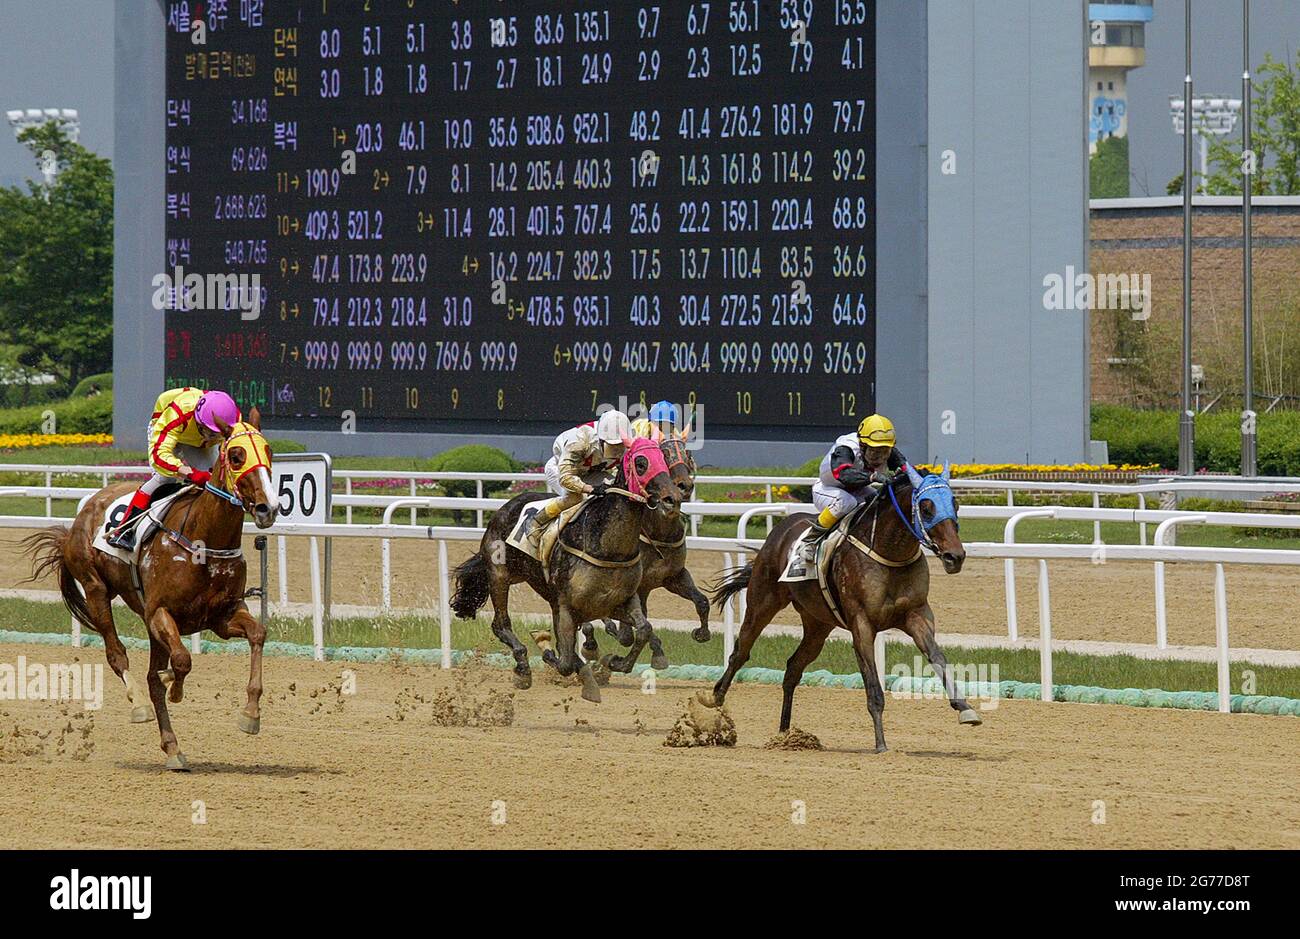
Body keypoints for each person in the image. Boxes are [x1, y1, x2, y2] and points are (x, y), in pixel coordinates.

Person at [105, 387, 241, 550]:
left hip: (194, 437)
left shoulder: (234, 419)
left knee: (215, 481)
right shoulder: (178, 412)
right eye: (210, 432)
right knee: (164, 479)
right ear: (199, 420)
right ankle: (124, 530)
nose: (211, 437)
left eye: (216, 434)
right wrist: (189, 472)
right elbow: (159, 456)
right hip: (168, 428)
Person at [800, 413, 909, 564]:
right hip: (827, 489)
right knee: (847, 502)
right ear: (862, 446)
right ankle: (810, 541)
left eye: (885, 451)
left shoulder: (887, 450)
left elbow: (908, 470)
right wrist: (873, 477)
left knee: (879, 500)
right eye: (875, 451)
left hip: (856, 490)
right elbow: (843, 474)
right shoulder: (846, 448)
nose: (880, 457)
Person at [529, 410, 632, 547]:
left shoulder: (628, 441)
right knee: (575, 498)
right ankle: (536, 522)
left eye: (620, 446)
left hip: (593, 470)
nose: (617, 452)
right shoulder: (579, 441)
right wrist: (589, 489)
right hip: (560, 470)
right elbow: (566, 477)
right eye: (612, 446)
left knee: (614, 493)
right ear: (600, 439)